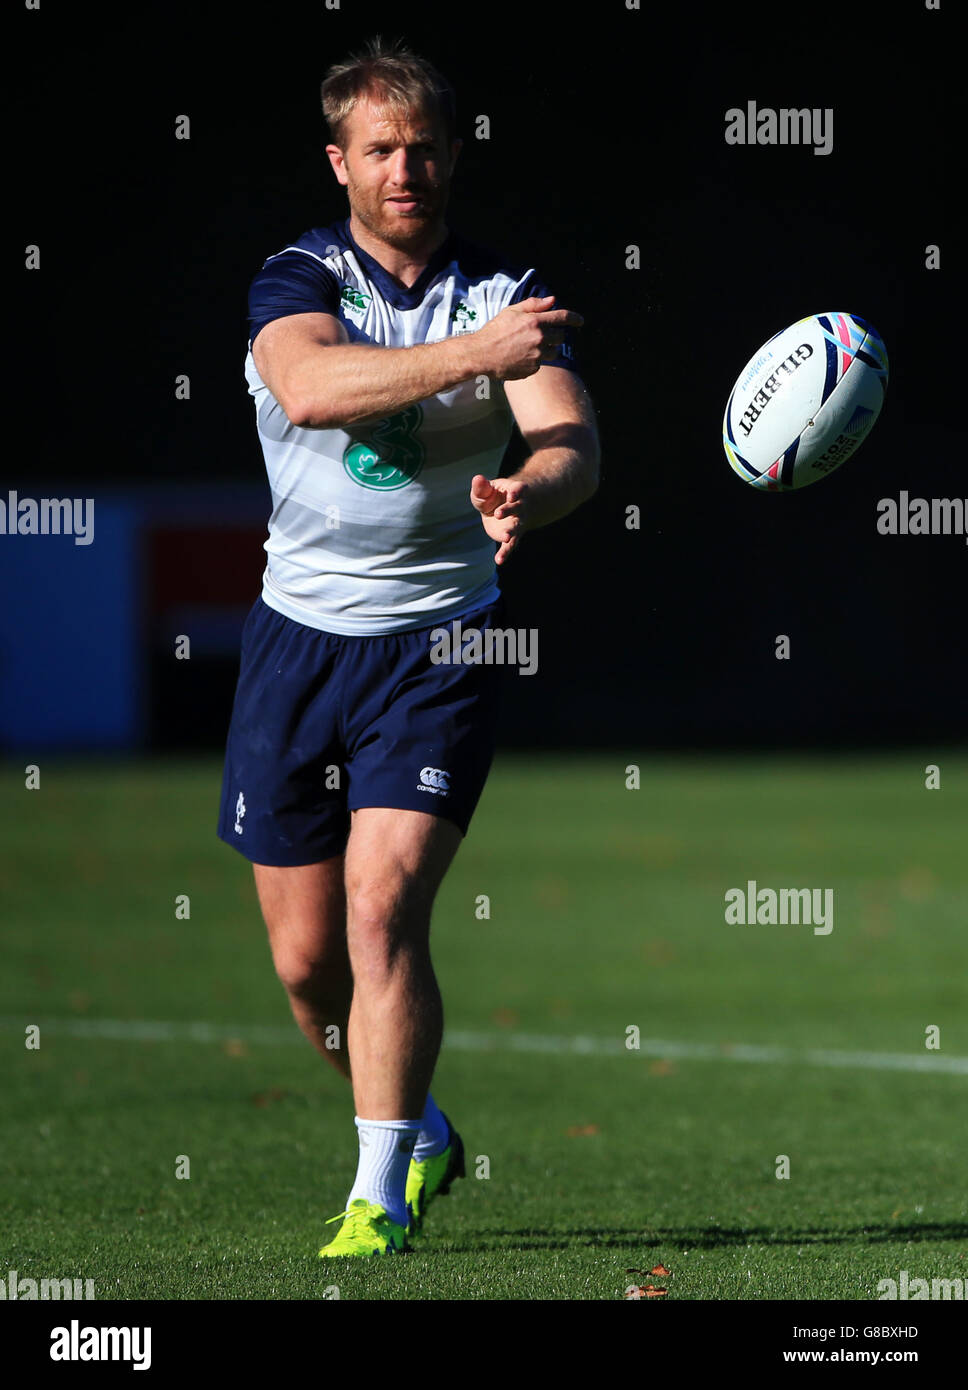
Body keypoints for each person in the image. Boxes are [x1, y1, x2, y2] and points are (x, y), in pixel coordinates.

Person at [217, 35, 600, 1257]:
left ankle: (376, 1195)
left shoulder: (506, 290)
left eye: (425, 146)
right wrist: (476, 361)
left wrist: (526, 494)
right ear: (340, 162)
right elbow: (314, 391)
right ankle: (417, 1125)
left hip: (438, 646)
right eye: (381, 148)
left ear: (451, 154)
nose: (407, 168)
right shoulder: (296, 277)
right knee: (303, 962)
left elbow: (570, 447)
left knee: (382, 914)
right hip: (295, 644)